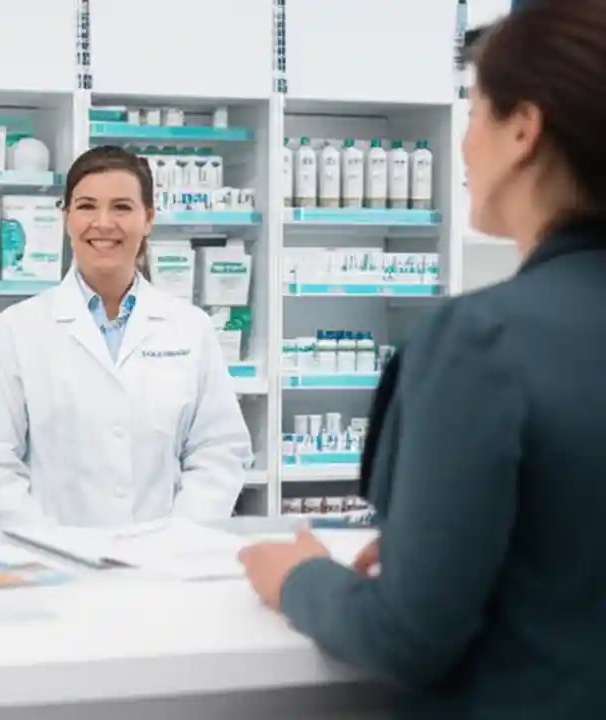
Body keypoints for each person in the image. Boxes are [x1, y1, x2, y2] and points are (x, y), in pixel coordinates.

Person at [238, 2, 606, 717]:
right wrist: (437, 544)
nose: (464, 146)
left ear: (523, 130)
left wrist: (301, 578)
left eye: (475, 115)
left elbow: (409, 636)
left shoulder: (482, 340)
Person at [0, 146, 253, 537]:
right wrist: (45, 543)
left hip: (162, 567)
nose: (102, 223)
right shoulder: (19, 327)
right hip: (56, 570)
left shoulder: (189, 327)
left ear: (148, 218)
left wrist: (180, 537)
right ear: (66, 217)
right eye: (86, 206)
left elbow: (219, 451)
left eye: (122, 207)